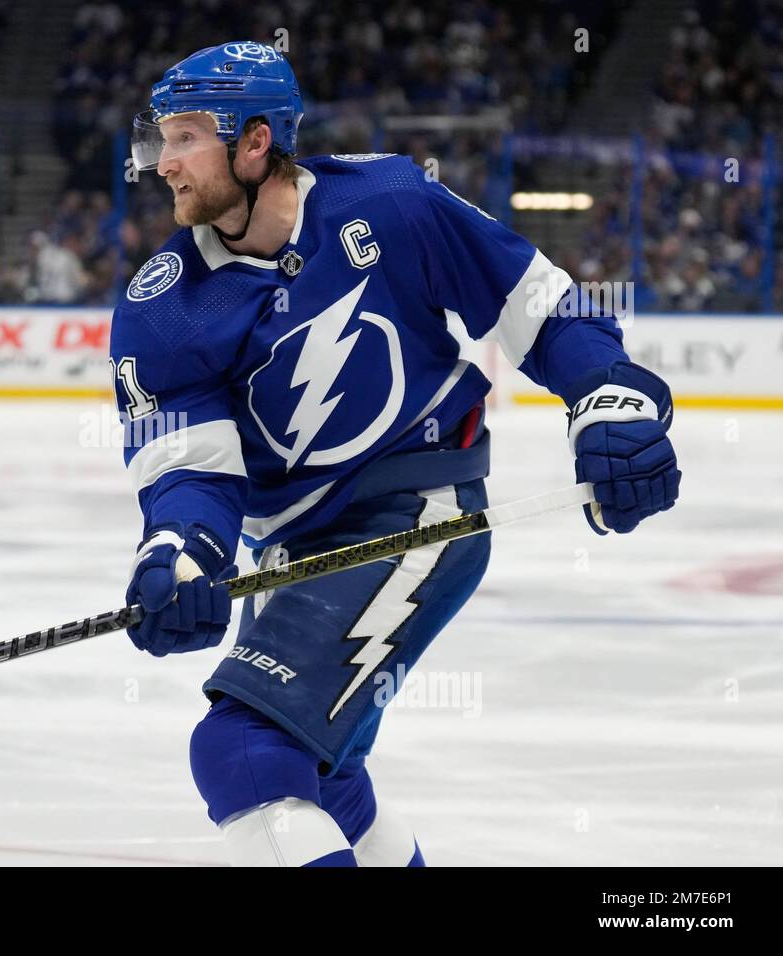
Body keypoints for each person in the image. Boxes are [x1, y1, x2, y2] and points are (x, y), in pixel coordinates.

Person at [110, 42, 681, 867]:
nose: (163, 163)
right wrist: (181, 552)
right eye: (162, 139)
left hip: (418, 513)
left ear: (255, 141)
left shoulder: (390, 204)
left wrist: (610, 399)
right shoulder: (161, 308)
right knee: (326, 776)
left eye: (186, 139)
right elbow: (191, 469)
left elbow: (540, 306)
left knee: (246, 754)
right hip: (294, 549)